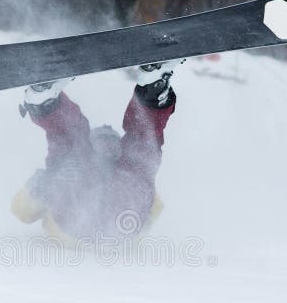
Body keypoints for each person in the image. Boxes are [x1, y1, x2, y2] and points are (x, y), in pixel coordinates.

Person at [11, 60, 182, 244]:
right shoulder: (127, 169)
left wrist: (42, 185)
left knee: (72, 146)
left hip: (74, 219)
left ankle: (45, 104)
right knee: (139, 154)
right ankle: (153, 94)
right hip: (122, 221)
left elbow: (22, 211)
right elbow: (153, 205)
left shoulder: (80, 161)